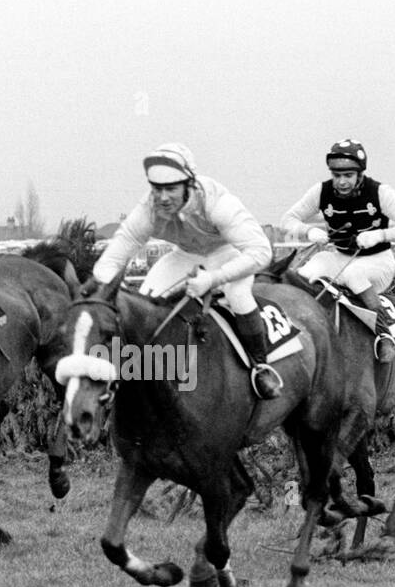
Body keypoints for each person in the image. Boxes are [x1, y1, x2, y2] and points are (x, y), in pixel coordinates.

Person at [91, 143, 282, 399]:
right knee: (147, 299)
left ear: (189, 184)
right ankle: (135, 373)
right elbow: (117, 251)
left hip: (227, 253)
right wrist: (103, 287)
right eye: (157, 189)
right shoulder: (148, 208)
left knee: (237, 294)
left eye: (171, 189)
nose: (162, 198)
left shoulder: (218, 203)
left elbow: (260, 252)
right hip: (185, 255)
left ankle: (261, 366)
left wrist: (213, 279)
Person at [280, 138, 395, 362]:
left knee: (353, 274)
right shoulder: (321, 191)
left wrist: (380, 235)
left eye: (348, 175)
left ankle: (384, 333)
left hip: (378, 261)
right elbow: (287, 220)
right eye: (336, 175)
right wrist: (309, 232)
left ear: (360, 174)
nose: (341, 182)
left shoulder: (380, 192)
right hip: (340, 257)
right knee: (306, 272)